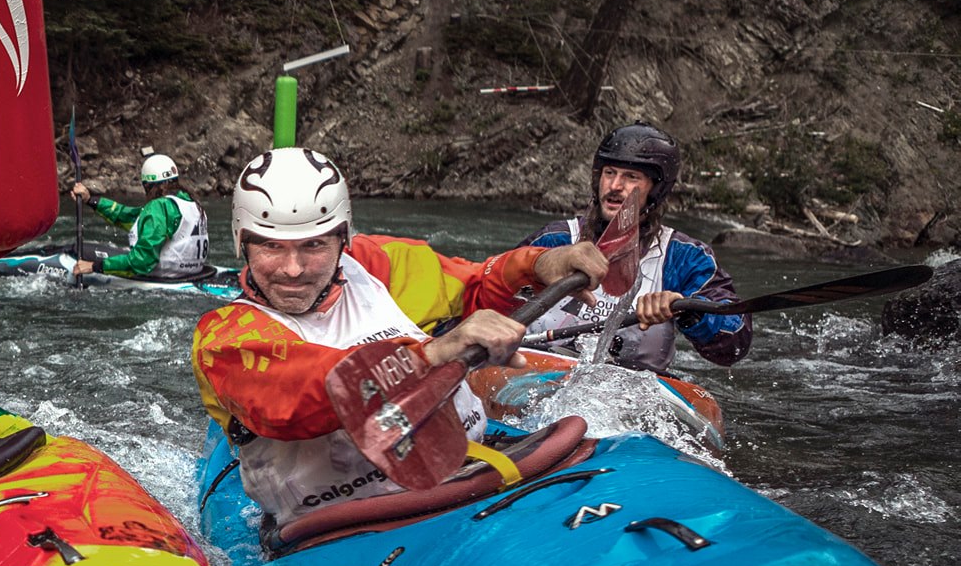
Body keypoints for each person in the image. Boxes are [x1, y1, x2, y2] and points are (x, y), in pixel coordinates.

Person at [192, 147, 612, 534]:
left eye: (314, 245)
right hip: (339, 526)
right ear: (241, 243)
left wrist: (538, 263)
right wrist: (430, 354)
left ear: (343, 238)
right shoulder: (225, 335)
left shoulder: (377, 265)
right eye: (270, 247)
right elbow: (299, 395)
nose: (293, 269)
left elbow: (475, 284)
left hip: (470, 472)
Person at [517, 123, 751, 370]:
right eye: (609, 173)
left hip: (631, 392)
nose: (615, 186)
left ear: (655, 190)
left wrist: (688, 310)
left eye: (631, 177)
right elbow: (491, 294)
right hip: (535, 373)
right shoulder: (555, 240)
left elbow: (734, 342)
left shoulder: (684, 258)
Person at [69, 152, 212, 281]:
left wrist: (95, 266)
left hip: (166, 275)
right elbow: (128, 217)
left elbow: (142, 262)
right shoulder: (191, 203)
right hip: (193, 272)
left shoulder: (159, 207)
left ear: (148, 186)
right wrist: (91, 200)